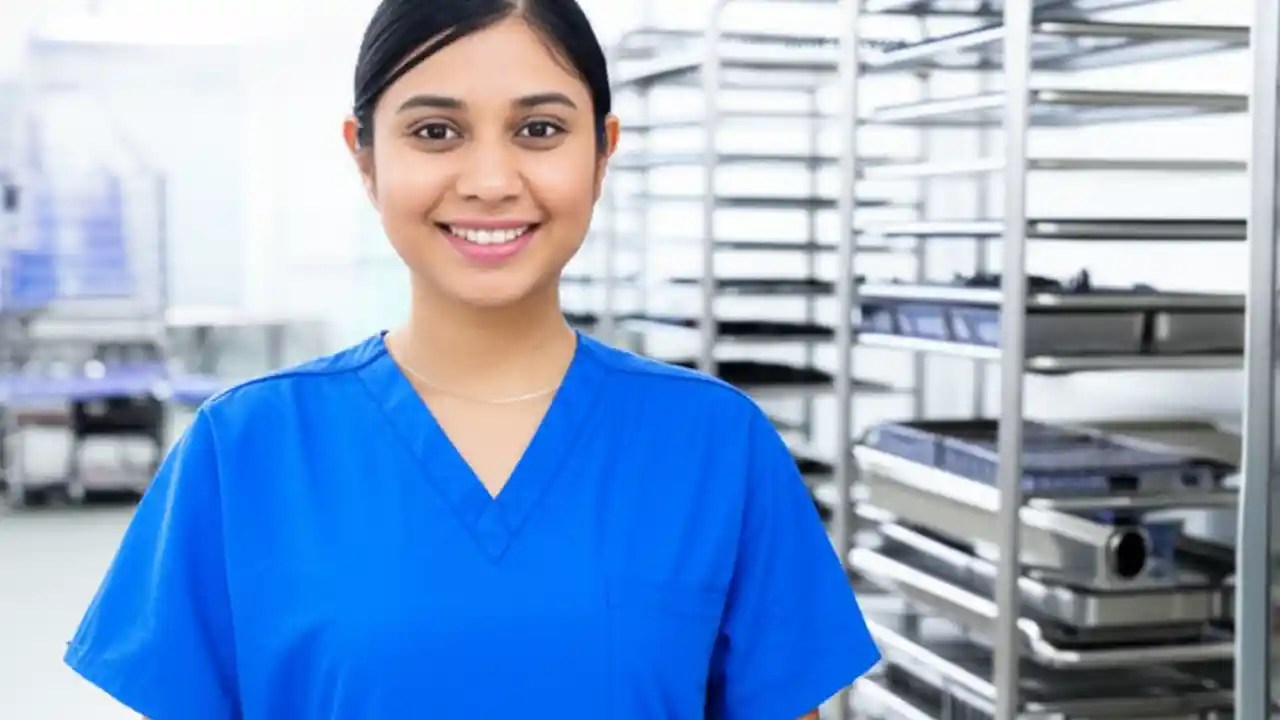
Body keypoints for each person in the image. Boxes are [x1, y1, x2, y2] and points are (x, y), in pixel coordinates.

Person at [62, 0, 881, 717]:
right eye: (434, 131)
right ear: (364, 156)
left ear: (603, 152)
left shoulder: (718, 448)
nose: (491, 180)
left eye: (539, 129)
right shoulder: (246, 449)